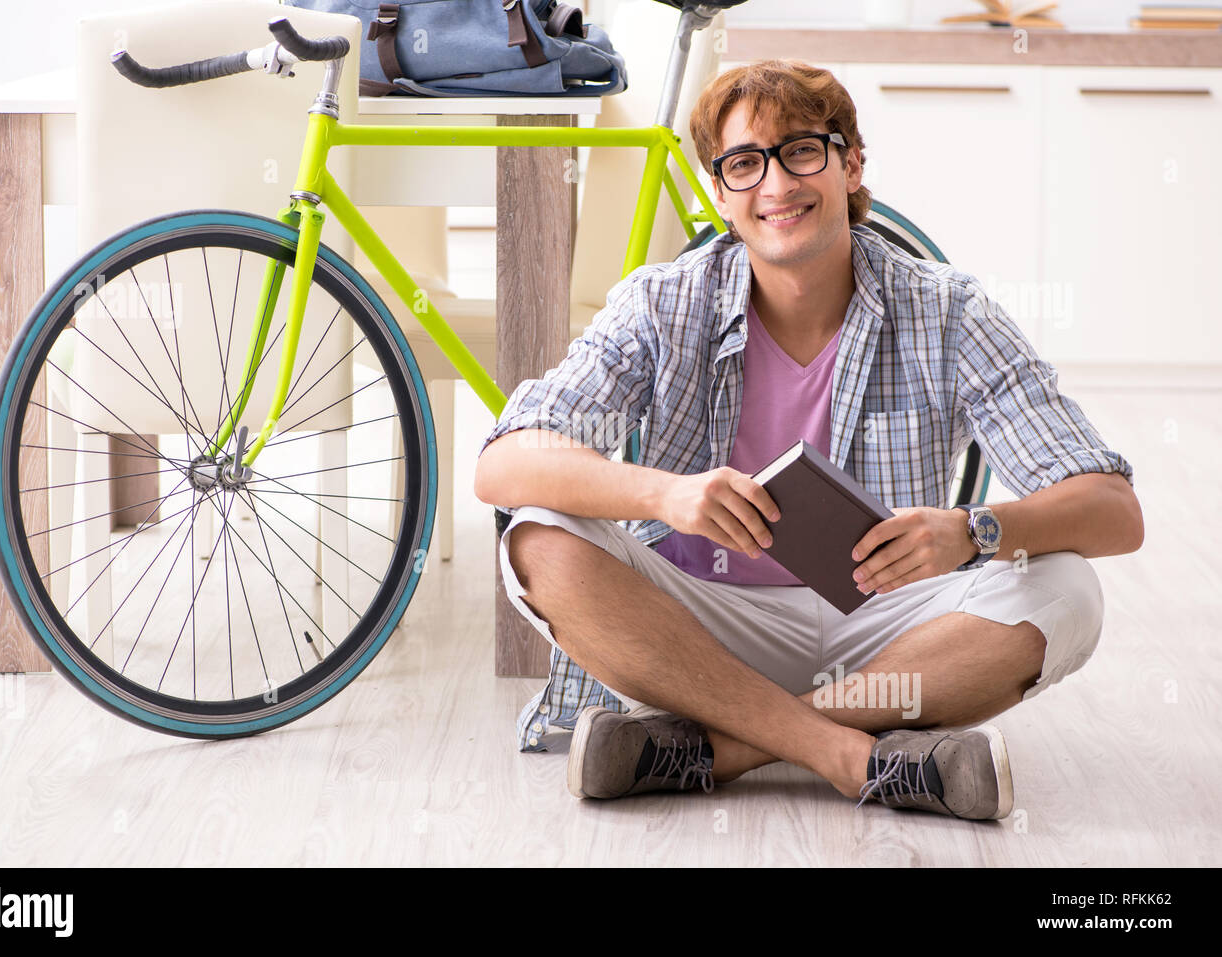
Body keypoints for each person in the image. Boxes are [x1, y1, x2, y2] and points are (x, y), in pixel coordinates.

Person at [473, 60, 1143, 821]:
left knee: (1069, 589)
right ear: (722, 194)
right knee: (536, 536)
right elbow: (504, 462)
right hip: (700, 631)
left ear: (851, 164)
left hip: (893, 636)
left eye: (801, 151)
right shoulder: (664, 303)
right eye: (745, 164)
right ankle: (852, 755)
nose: (776, 185)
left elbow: (1114, 509)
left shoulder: (946, 309)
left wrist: (972, 530)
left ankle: (723, 749)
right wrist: (665, 493)